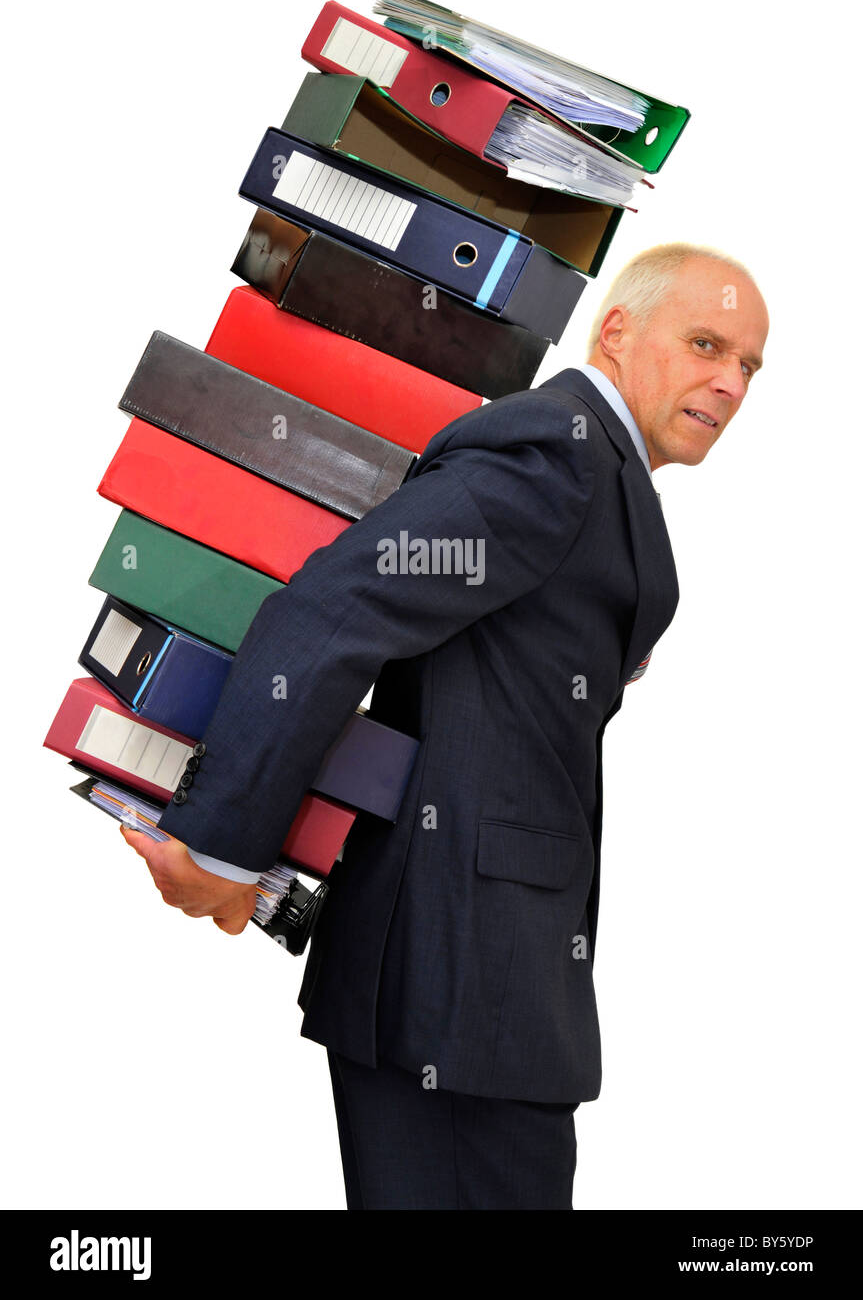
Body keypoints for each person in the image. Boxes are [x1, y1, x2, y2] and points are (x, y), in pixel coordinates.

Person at [121, 241, 769, 1209]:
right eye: (706, 344)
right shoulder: (555, 453)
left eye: (748, 366)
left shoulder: (596, 476)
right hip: (461, 993)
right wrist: (222, 842)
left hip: (485, 997)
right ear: (618, 331)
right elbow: (334, 611)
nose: (726, 382)